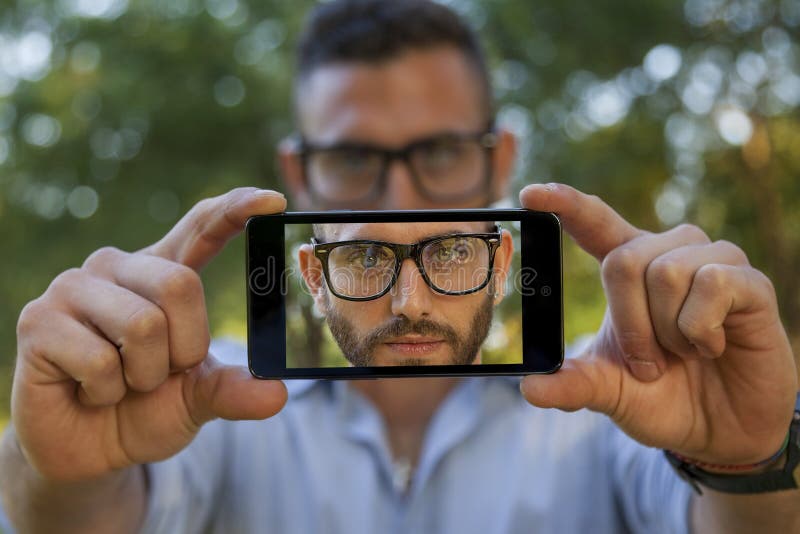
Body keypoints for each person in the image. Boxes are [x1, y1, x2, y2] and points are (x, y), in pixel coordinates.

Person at [1, 0, 798, 532]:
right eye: (353, 157)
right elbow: (98, 511)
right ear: (300, 174)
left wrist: (751, 461)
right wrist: (56, 477)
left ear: (500, 164)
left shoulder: (617, 394)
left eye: (441, 153)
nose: (398, 196)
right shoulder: (206, 397)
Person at [297, 221, 513, 366]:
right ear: (317, 280)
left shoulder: (545, 421)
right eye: (367, 258)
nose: (412, 306)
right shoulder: (271, 425)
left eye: (448, 253)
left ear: (498, 271)